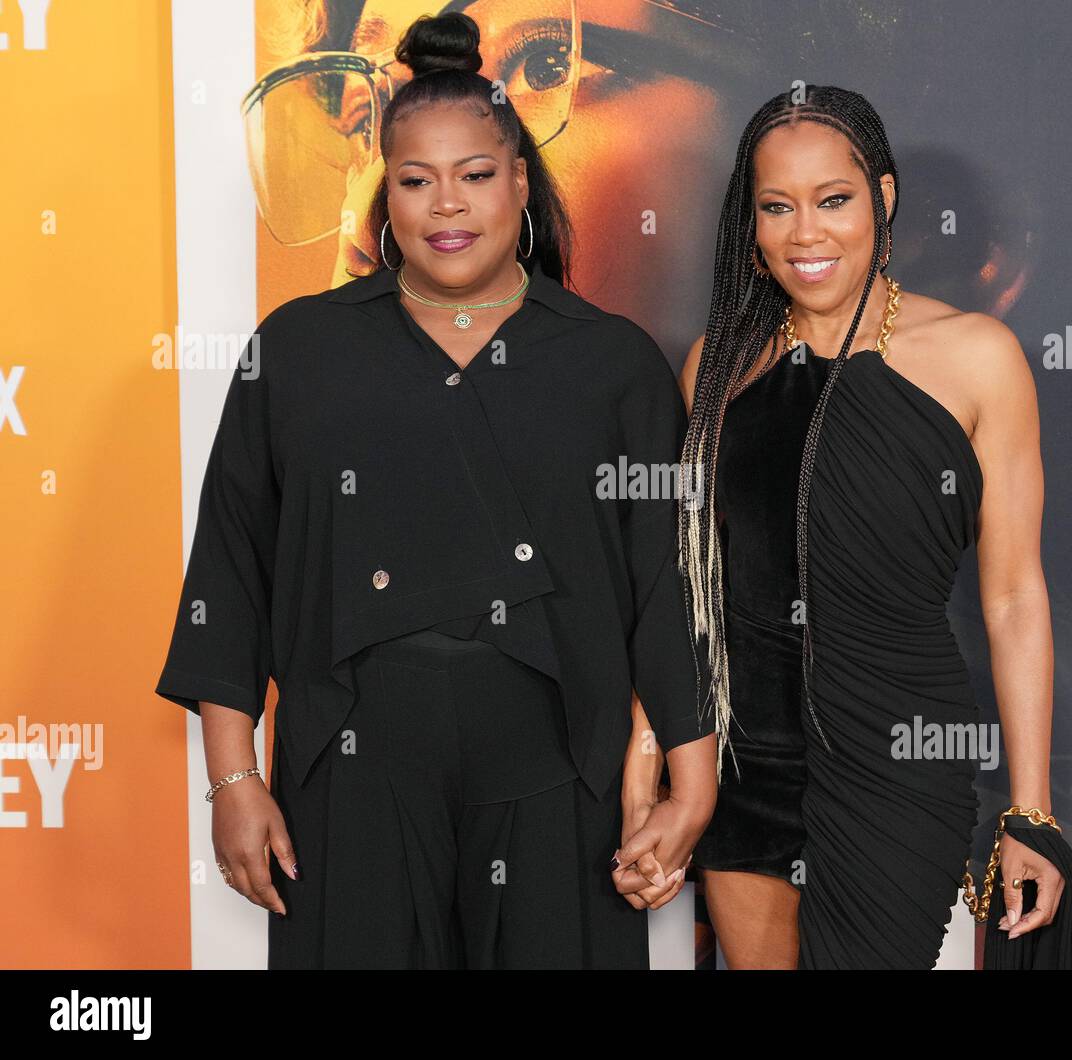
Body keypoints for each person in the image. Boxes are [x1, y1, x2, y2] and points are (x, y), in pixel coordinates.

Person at [155, 11, 716, 969]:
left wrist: (691, 787)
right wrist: (234, 779)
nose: (445, 206)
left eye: (475, 176)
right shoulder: (300, 350)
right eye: (415, 181)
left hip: (558, 768)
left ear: (522, 184)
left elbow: (666, 589)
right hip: (353, 764)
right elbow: (231, 567)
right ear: (386, 194)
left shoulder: (613, 365)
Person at [646, 84, 1062, 968]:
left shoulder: (976, 358)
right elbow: (689, 596)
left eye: (832, 200)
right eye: (777, 207)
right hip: (747, 765)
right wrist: (658, 766)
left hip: (898, 764)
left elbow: (1016, 596)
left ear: (883, 198)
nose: (806, 234)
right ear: (748, 223)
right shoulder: (715, 369)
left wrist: (1031, 810)